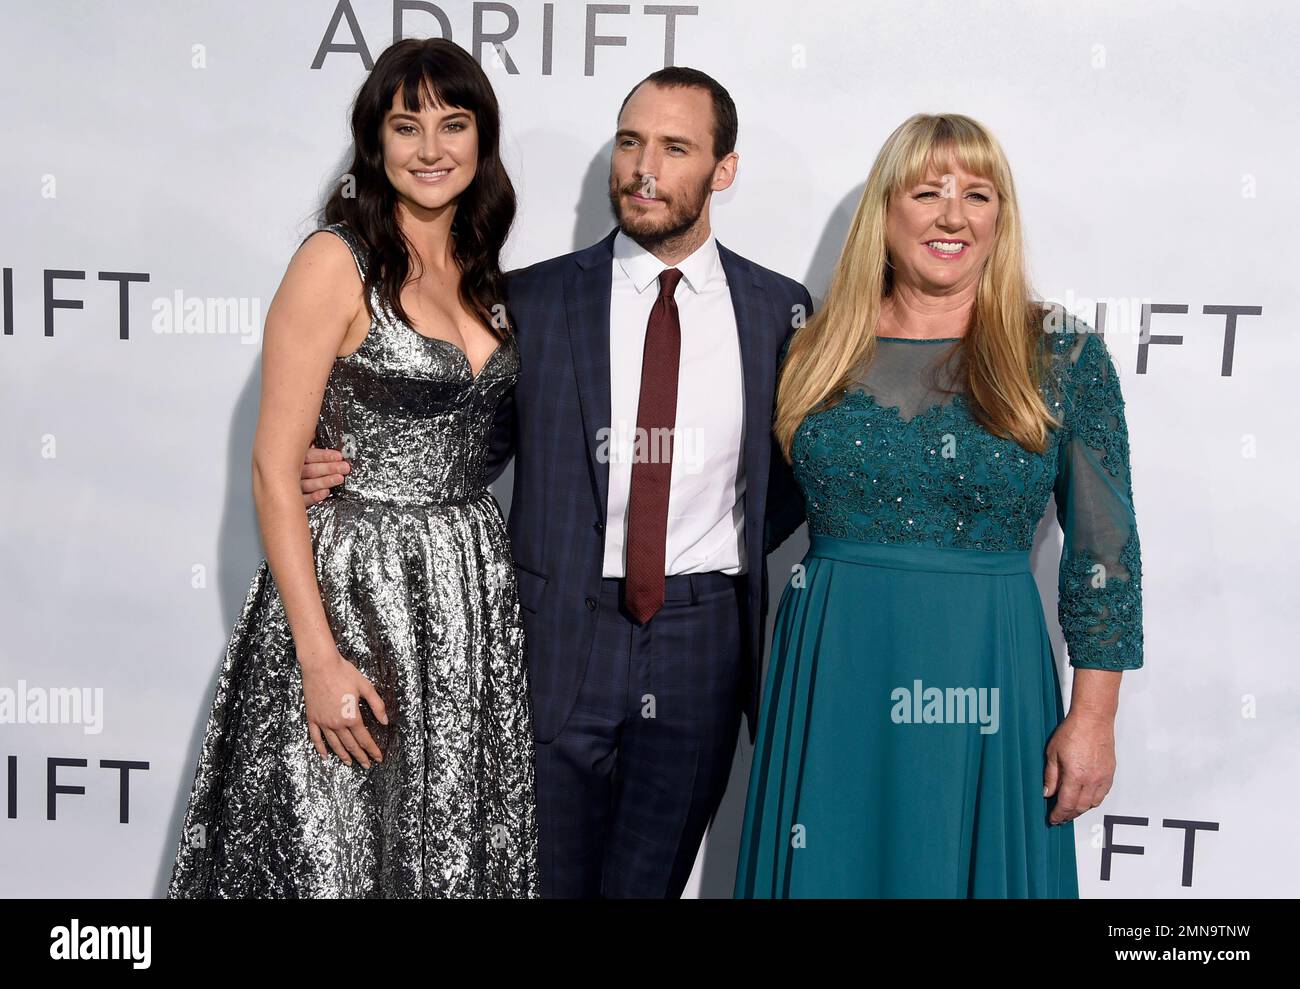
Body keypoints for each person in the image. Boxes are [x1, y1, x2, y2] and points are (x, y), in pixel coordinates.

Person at [302, 67, 810, 898]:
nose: (644, 167)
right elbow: (463, 446)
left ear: (724, 169)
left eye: (675, 147)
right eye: (630, 141)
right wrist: (334, 458)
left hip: (701, 643)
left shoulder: (779, 312)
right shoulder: (526, 301)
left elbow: (799, 474)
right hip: (552, 638)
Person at [734, 113, 1144, 898]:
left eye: (978, 194)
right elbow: (752, 512)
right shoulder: (814, 346)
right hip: (834, 661)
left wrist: (1095, 718)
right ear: (885, 214)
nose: (953, 214)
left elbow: (1104, 556)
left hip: (987, 667)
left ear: (1000, 219)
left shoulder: (1060, 353)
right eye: (928, 191)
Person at [167, 38, 538, 898]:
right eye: (406, 127)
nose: (432, 148)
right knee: (335, 844)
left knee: (440, 839)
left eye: (454, 124)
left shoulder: (480, 268)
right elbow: (272, 466)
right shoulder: (334, 262)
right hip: (354, 589)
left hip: (465, 596)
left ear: (482, 139)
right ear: (375, 143)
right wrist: (318, 658)